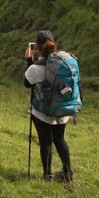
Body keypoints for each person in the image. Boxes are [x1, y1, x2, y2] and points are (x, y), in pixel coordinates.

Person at [24, 30, 75, 182]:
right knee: (60, 140)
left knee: (45, 142)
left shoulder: (35, 68)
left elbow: (27, 83)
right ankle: (68, 173)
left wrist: (29, 61)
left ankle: (48, 175)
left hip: (43, 112)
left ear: (37, 48)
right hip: (62, 110)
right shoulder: (63, 64)